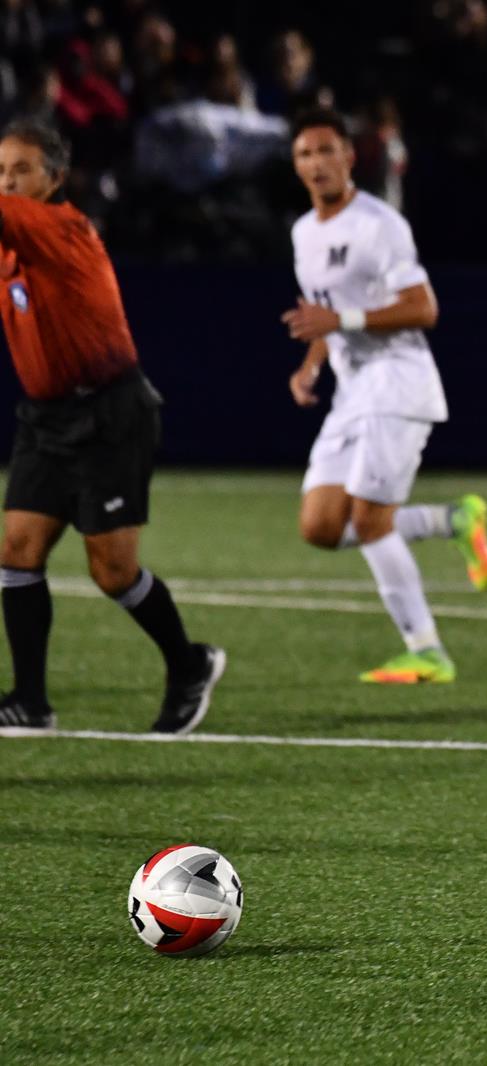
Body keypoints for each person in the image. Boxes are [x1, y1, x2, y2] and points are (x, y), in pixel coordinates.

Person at [0, 120, 223, 734]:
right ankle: (31, 701)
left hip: (110, 414)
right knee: (16, 550)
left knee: (113, 571)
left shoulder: (64, 227)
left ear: (55, 177)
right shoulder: (11, 243)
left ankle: (189, 664)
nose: (9, 181)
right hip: (45, 419)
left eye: (21, 169)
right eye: (2, 170)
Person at [280, 108, 487, 684]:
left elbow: (424, 308)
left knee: (370, 521)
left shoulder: (379, 224)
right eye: (305, 154)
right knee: (320, 527)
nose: (317, 163)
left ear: (349, 157)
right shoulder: (304, 232)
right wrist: (310, 365)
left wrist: (340, 317)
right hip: (352, 392)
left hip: (397, 383)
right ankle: (451, 520)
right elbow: (323, 315)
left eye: (327, 150)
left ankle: (426, 649)